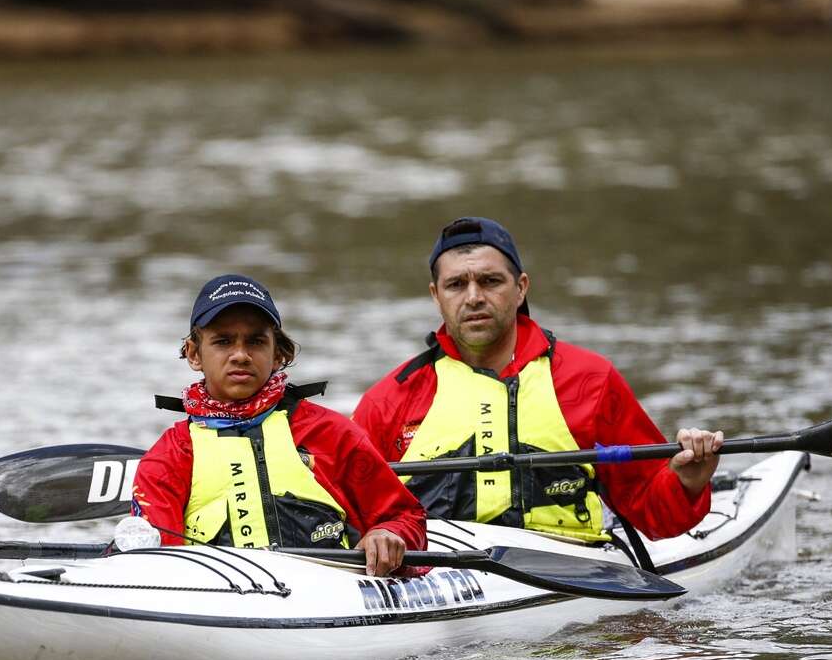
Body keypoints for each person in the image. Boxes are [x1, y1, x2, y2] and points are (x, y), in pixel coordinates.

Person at [352, 217, 722, 545]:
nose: (474, 297)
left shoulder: (589, 380)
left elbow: (656, 517)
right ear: (436, 296)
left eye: (490, 281)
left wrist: (687, 481)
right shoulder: (389, 400)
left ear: (521, 288)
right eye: (456, 285)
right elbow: (346, 518)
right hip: (442, 577)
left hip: (575, 570)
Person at [130, 274, 427, 576]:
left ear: (278, 355)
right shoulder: (168, 458)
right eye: (223, 341)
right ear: (194, 354)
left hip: (329, 599)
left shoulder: (332, 434)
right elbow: (157, 567)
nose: (240, 355)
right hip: (218, 608)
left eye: (256, 341)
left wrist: (390, 534)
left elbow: (406, 517)